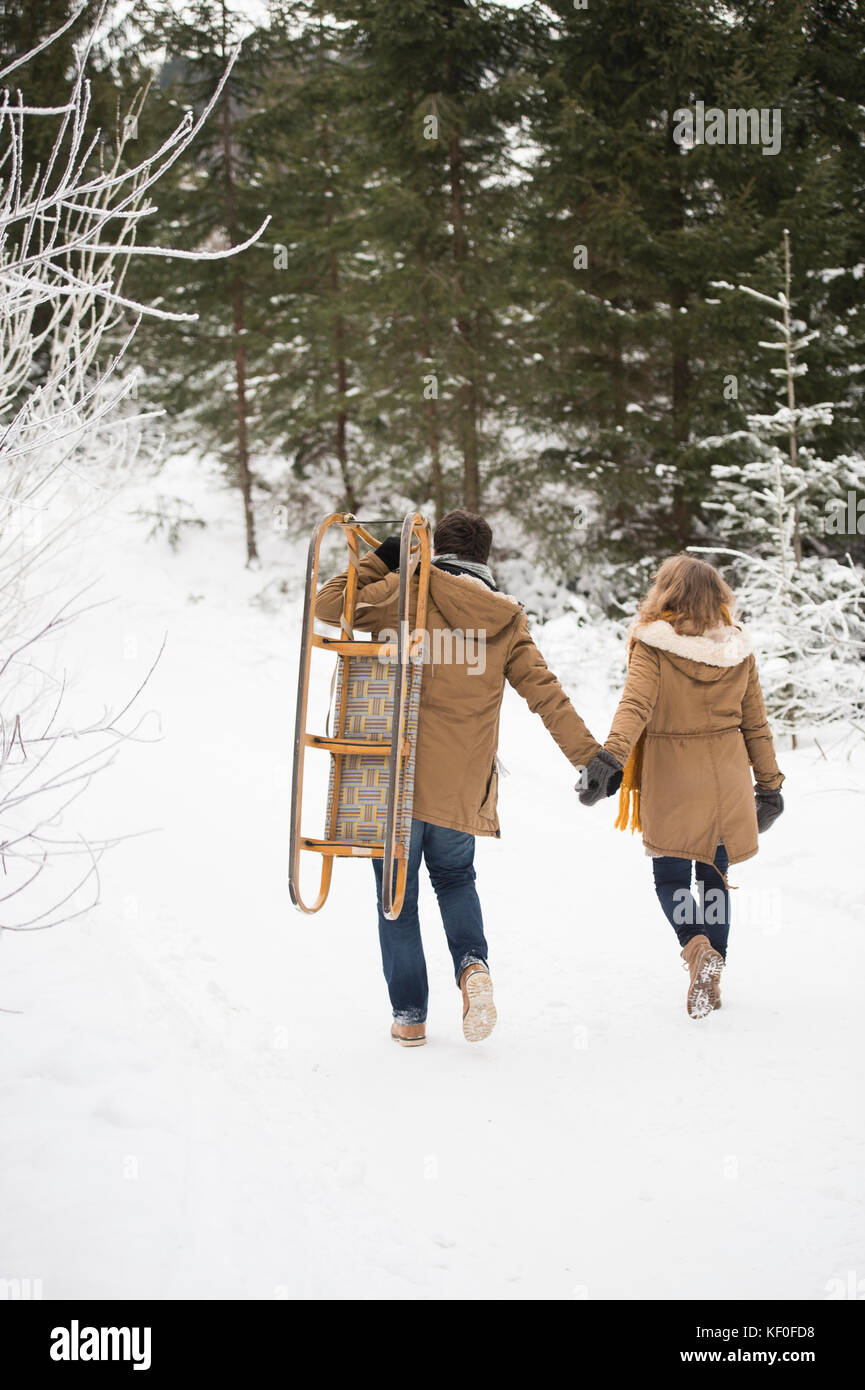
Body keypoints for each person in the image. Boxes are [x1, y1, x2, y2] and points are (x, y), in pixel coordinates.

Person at [315, 509, 606, 1047]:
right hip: (460, 787)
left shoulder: (403, 591)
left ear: (432, 549)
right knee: (454, 880)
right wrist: (591, 758)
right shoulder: (505, 620)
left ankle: (410, 1017)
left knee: (394, 896)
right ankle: (473, 969)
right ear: (485, 561)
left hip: (391, 779)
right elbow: (547, 695)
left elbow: (326, 603)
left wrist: (388, 557)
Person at [579, 554, 784, 1019]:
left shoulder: (654, 644)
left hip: (673, 774)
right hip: (728, 776)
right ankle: (715, 966)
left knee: (670, 878)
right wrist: (769, 786)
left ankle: (695, 949)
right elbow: (757, 725)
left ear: (667, 594)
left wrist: (609, 760)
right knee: (714, 876)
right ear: (718, 598)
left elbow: (634, 706)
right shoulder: (739, 650)